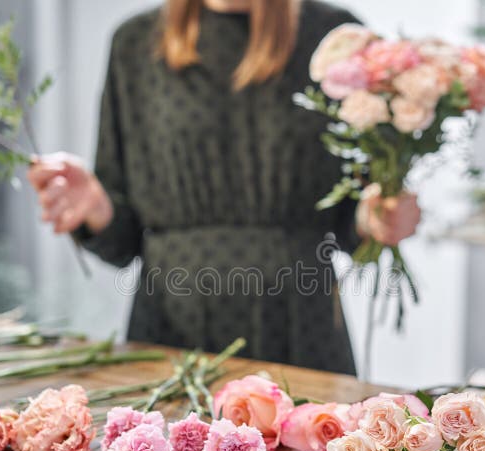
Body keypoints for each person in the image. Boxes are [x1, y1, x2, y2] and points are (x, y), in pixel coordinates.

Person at [28, 0, 421, 375]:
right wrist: (96, 206)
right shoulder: (134, 43)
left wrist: (377, 217)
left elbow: (351, 214)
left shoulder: (336, 40)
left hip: (302, 322)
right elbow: (123, 240)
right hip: (173, 321)